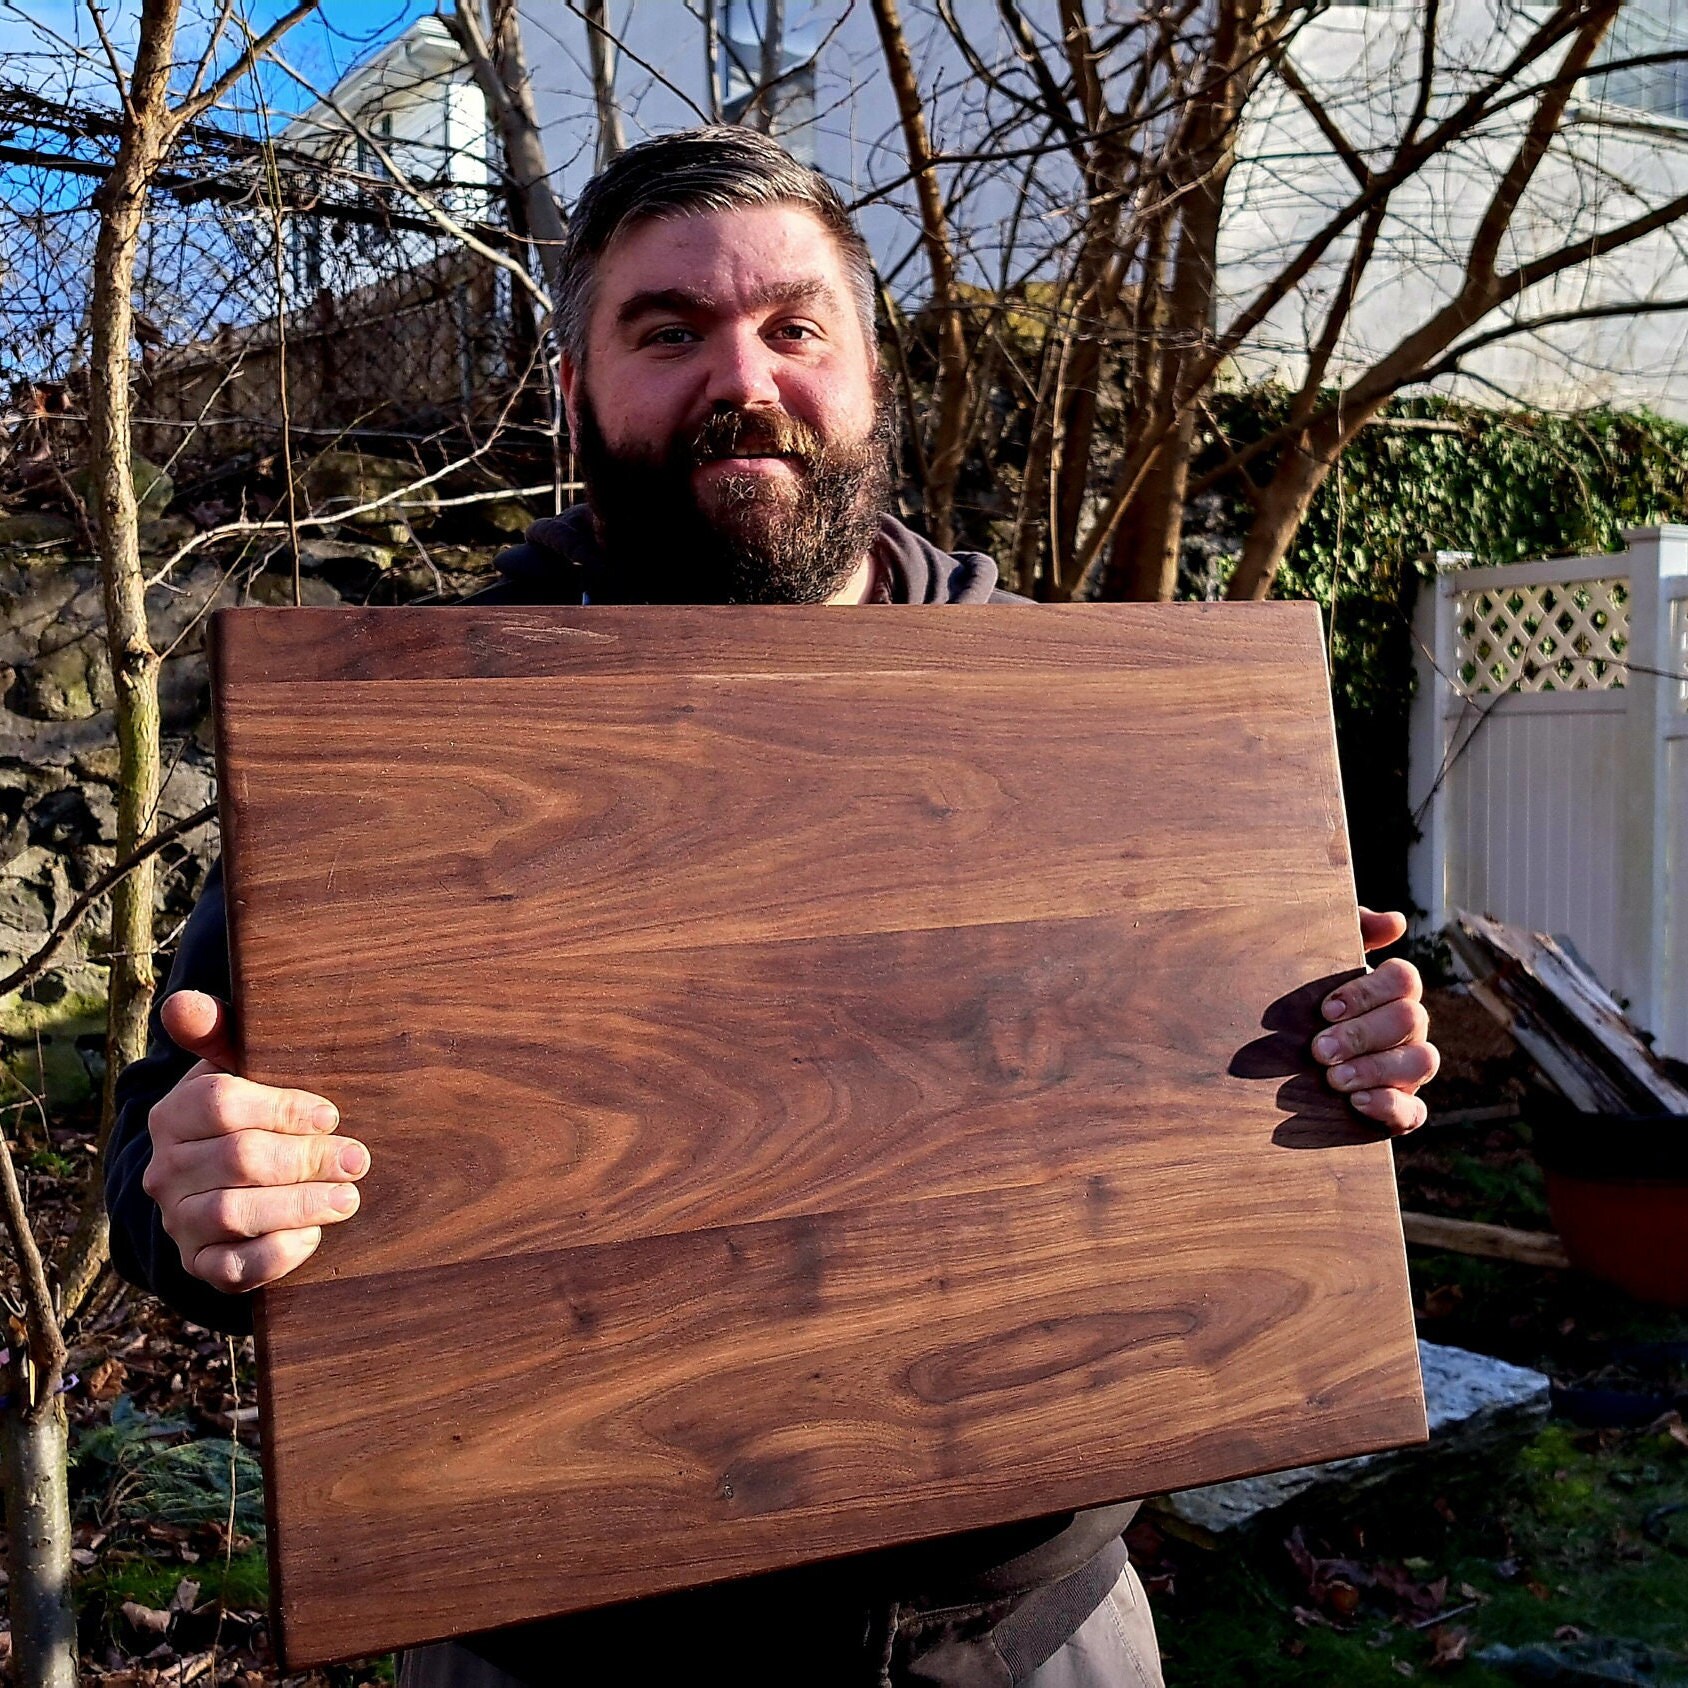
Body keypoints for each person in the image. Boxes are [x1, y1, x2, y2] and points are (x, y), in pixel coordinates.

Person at [106, 128, 1440, 1688]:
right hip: (560, 1652)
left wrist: (1342, 1052)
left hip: (1026, 1638)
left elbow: (1239, 1087)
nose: (742, 379)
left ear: (871, 376)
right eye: (667, 331)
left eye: (793, 328)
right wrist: (197, 1197)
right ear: (574, 394)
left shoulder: (1090, 727)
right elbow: (162, 1157)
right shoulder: (403, 744)